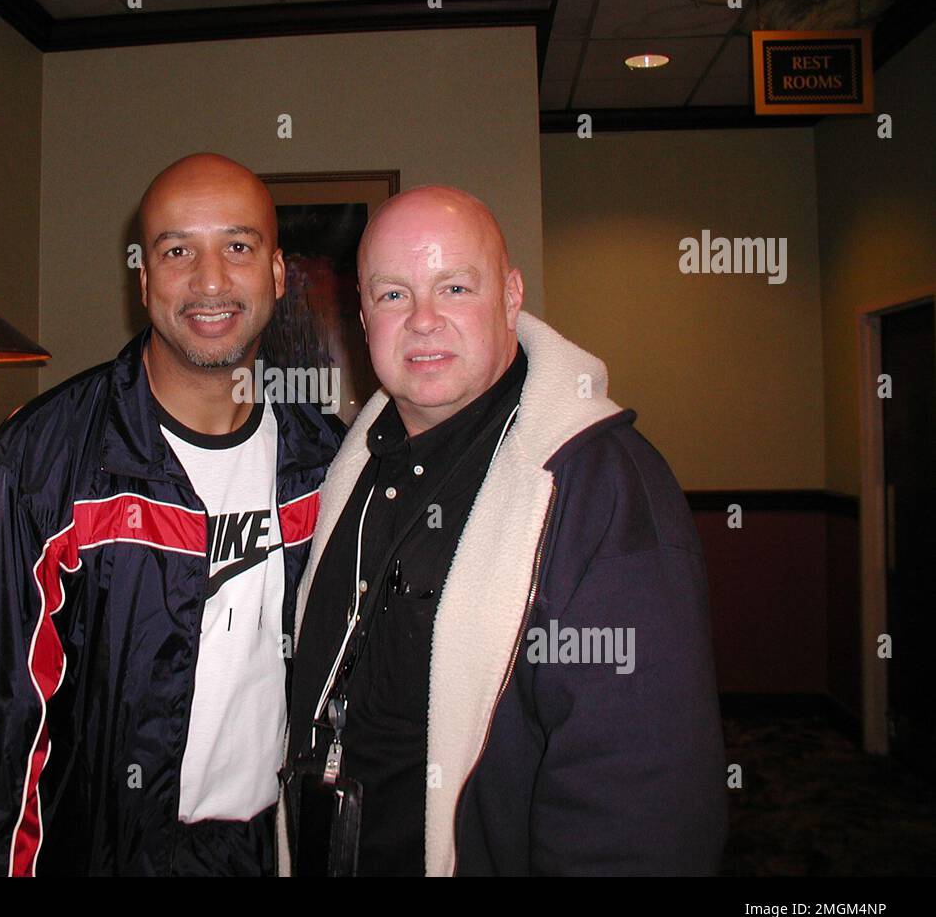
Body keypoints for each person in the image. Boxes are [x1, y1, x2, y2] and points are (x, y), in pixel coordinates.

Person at [279, 185, 728, 876]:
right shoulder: (354, 467)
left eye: (454, 287)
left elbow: (641, 813)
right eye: (394, 294)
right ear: (364, 314)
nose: (423, 320)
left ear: (511, 296)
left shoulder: (598, 488)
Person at [0, 153, 344, 876]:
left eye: (237, 247)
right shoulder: (39, 466)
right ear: (143, 280)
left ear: (276, 275)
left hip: (274, 851)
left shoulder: (331, 464)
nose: (209, 280)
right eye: (178, 250)